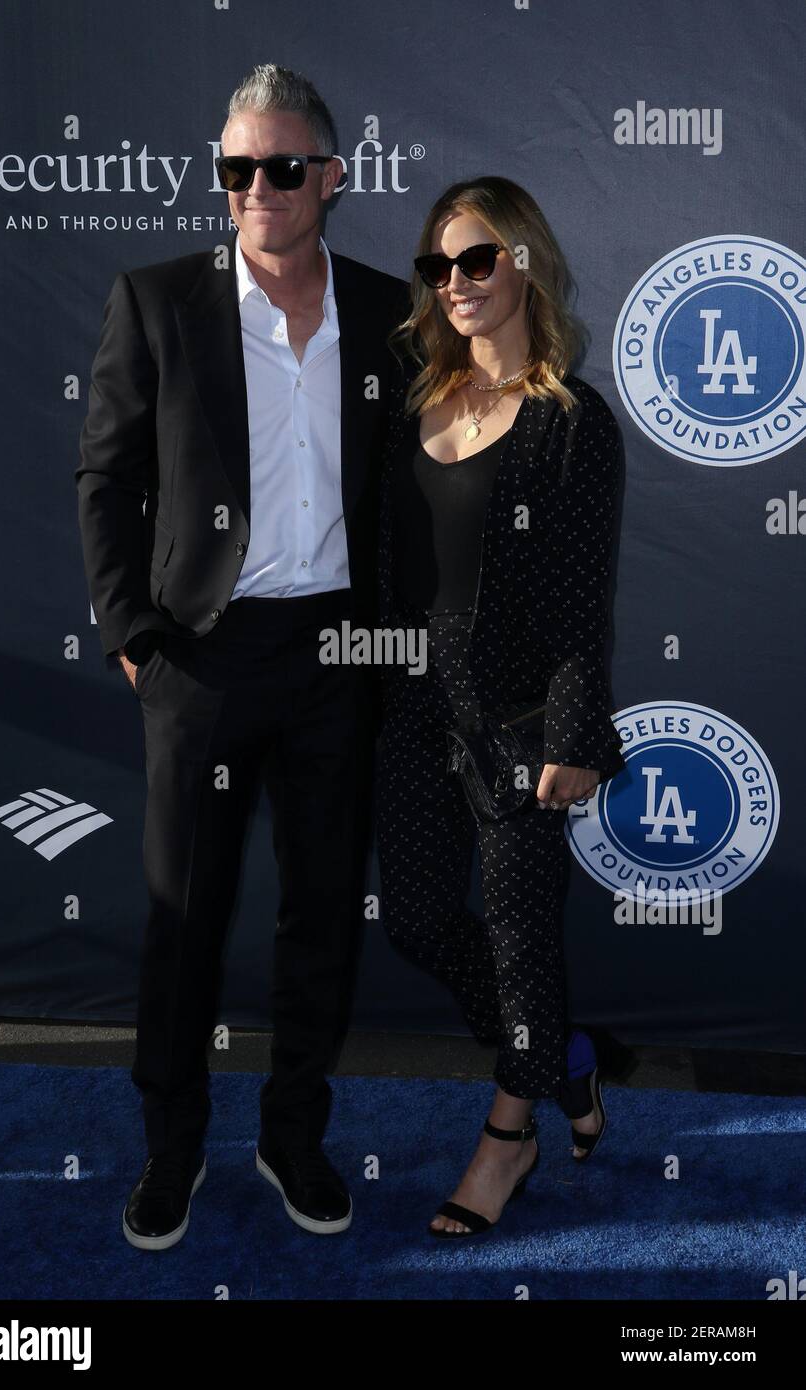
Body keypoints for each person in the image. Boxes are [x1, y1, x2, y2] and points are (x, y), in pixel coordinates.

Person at [76, 64, 408, 1249]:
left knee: (320, 913)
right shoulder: (158, 299)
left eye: (278, 167)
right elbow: (106, 477)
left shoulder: (386, 311)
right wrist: (133, 635)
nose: (254, 188)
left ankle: (292, 1134)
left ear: (329, 175)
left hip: (337, 654)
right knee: (185, 917)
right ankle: (171, 1150)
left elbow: (412, 494)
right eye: (233, 169)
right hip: (204, 659)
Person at [375, 175, 626, 1239]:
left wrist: (570, 736)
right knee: (423, 921)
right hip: (411, 712)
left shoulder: (571, 422)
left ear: (522, 259)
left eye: (478, 259)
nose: (457, 283)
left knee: (523, 947)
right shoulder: (415, 400)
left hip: (522, 723)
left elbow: (580, 607)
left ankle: (505, 1138)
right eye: (439, 267)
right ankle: (557, 1053)